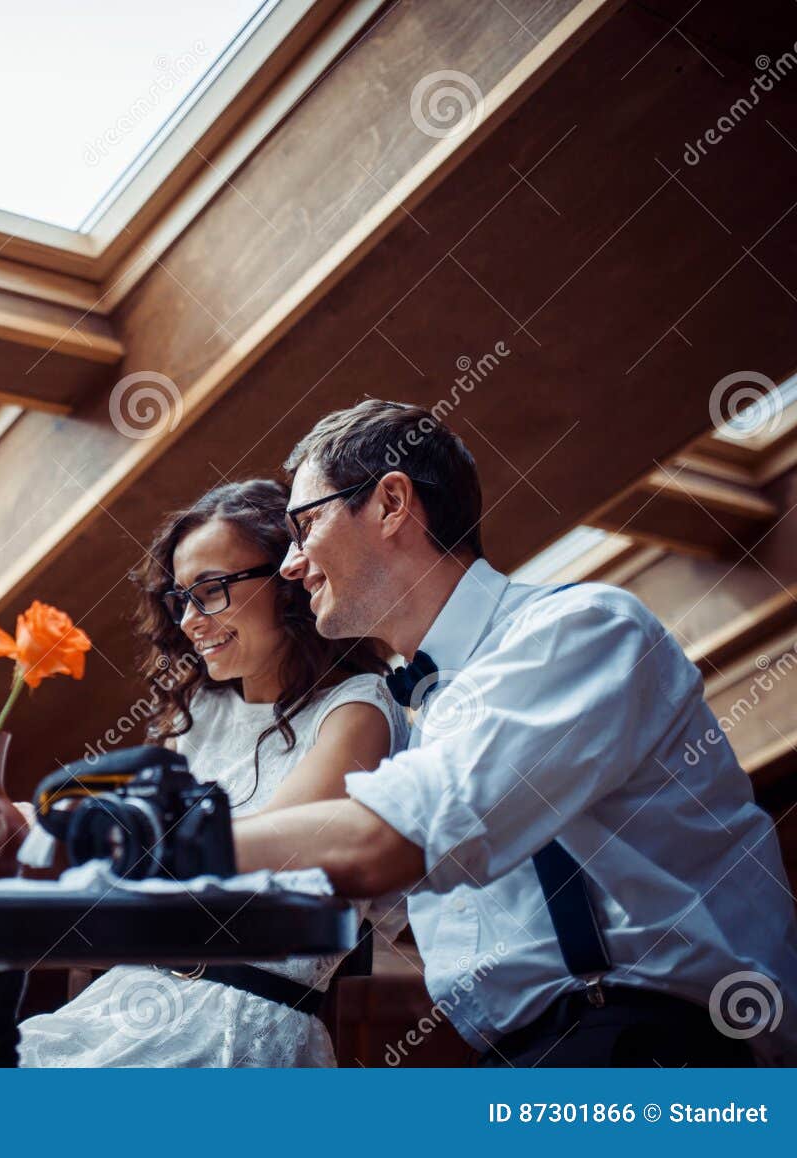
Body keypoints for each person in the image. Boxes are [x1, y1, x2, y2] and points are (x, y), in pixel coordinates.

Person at [234, 398, 797, 1066]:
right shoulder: (414, 717)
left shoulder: (585, 628)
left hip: (638, 1045)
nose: (292, 564)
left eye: (306, 526)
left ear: (390, 503)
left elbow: (391, 840)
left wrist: (153, 843)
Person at [0, 479, 407, 1067]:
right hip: (125, 1004)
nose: (192, 619)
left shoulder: (357, 711)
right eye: (181, 598)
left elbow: (245, 866)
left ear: (289, 578)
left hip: (231, 1027)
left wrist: (16, 825)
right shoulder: (194, 718)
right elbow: (124, 871)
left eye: (212, 589)